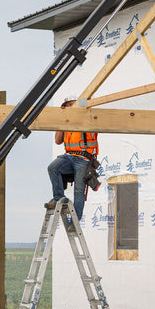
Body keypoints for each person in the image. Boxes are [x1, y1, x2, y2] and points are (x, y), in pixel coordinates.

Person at [46, 96, 98, 225]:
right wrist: (63, 123)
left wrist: (86, 105)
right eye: (67, 105)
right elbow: (58, 141)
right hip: (69, 156)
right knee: (53, 167)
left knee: (79, 190)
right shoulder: (66, 122)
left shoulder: (87, 118)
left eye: (71, 105)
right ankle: (58, 198)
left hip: (84, 158)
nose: (69, 107)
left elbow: (95, 122)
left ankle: (74, 222)